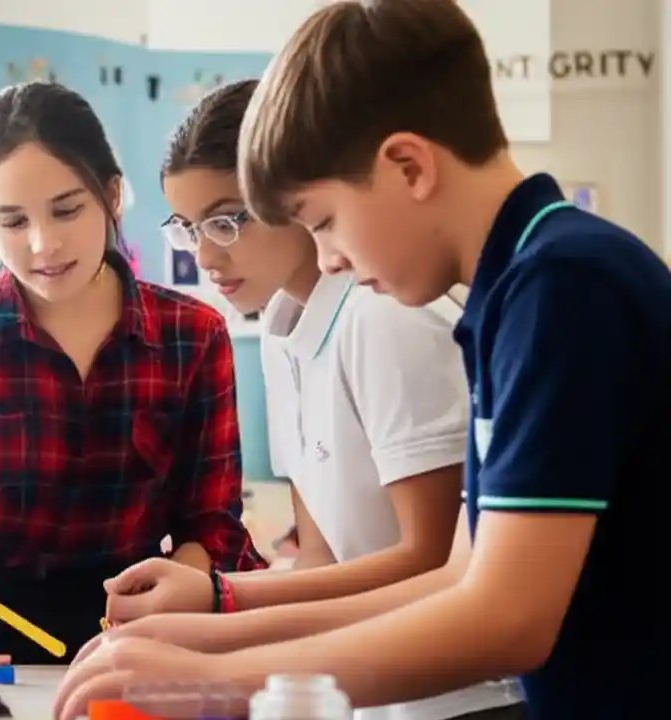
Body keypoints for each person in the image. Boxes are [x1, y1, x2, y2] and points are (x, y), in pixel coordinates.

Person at [54, 1, 670, 717]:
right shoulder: (516, 293)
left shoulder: (562, 287)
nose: (329, 257)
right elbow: (461, 578)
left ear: (408, 165)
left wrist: (215, 678)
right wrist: (209, 633)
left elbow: (508, 620)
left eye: (323, 220)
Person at [97, 78, 521, 719]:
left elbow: (432, 559)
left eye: (226, 220)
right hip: (365, 692)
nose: (206, 255)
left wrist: (217, 606)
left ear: (287, 195)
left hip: (461, 700)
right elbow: (319, 558)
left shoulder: (384, 317)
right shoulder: (279, 328)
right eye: (189, 228)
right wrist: (197, 606)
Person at [0, 80, 268, 664]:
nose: (43, 244)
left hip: (127, 625)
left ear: (112, 195)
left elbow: (211, 522)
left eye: (67, 209)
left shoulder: (193, 336)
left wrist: (182, 588)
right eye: (10, 221)